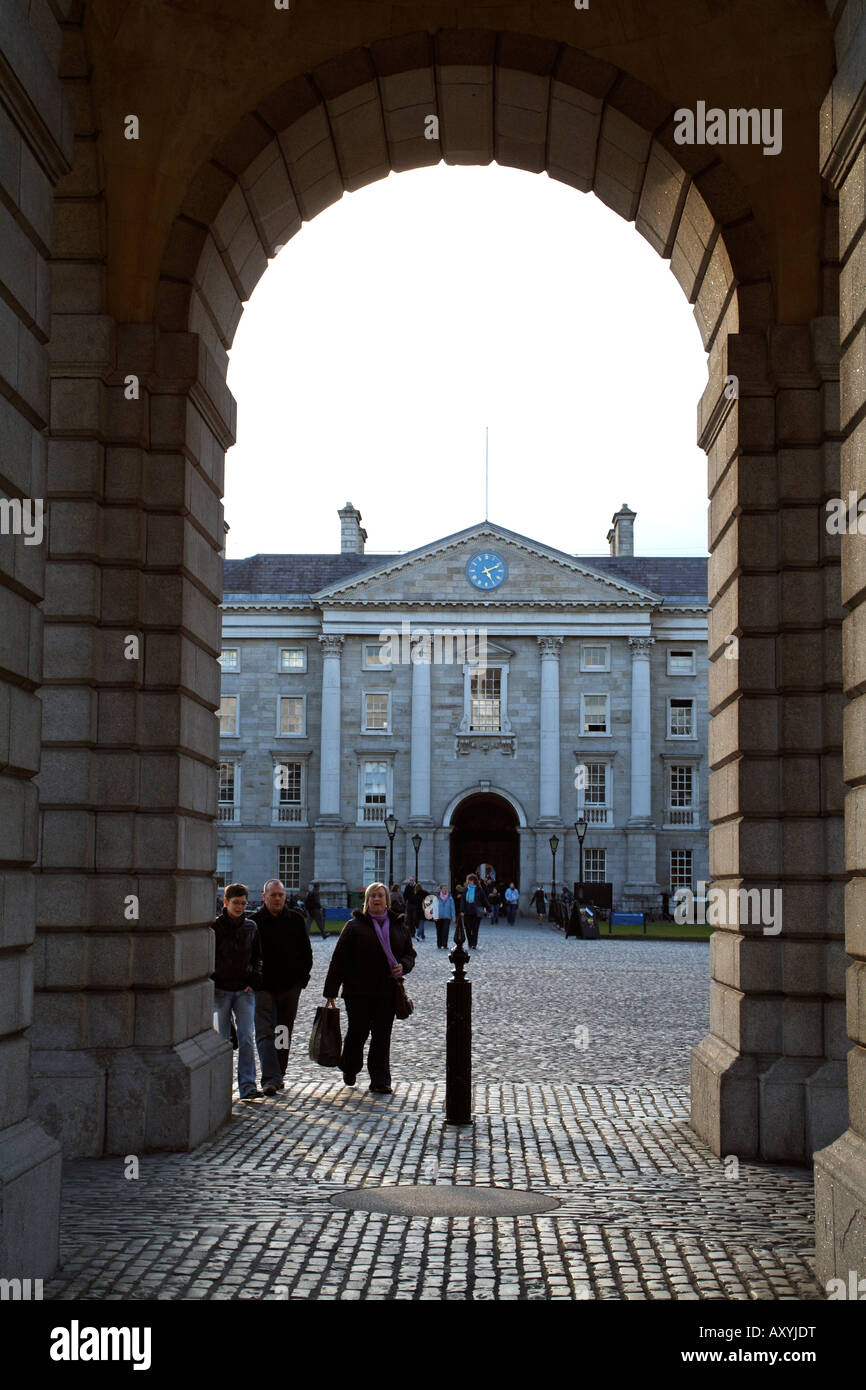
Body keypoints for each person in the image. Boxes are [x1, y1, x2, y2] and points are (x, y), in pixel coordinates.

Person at [323, 882, 416, 1095]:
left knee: (382, 1036)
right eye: (372, 896)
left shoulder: (398, 926)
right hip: (358, 992)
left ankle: (380, 1079)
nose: (376, 899)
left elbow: (410, 954)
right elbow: (339, 960)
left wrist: (404, 965)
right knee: (357, 1033)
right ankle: (350, 1066)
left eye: (380, 896)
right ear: (367, 901)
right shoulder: (354, 927)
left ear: (386, 901)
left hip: (387, 991)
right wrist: (331, 991)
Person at [251, 879, 313, 1096]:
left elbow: (306, 952)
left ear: (285, 897)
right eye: (273, 895)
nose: (277, 898)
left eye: (280, 895)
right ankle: (270, 1077)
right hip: (263, 987)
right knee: (264, 1032)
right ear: (264, 896)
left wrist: (301, 980)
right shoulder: (254, 922)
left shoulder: (295, 919)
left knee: (282, 1032)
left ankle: (279, 1073)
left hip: (289, 987)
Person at [212, 883, 263, 1100]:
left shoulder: (251, 927)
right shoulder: (214, 927)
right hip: (220, 991)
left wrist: (254, 980)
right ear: (226, 902)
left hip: (244, 991)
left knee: (246, 1038)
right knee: (222, 1040)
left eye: (243, 903)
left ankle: (248, 1085)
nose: (240, 907)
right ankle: (220, 1087)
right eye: (236, 903)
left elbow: (258, 958)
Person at [458, 873, 490, 951]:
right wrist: (461, 910)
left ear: (475, 881)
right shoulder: (465, 889)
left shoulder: (479, 889)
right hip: (467, 911)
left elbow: (484, 900)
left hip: (476, 912)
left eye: (472, 880)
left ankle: (474, 944)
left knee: (475, 929)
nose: (470, 882)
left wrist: (489, 908)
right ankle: (470, 942)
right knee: (468, 929)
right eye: (469, 880)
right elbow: (462, 901)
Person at [434, 884, 455, 949]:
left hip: (447, 917)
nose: (445, 890)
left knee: (445, 930)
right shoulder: (436, 897)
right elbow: (433, 908)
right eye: (443, 888)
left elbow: (452, 908)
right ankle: (439, 944)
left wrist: (453, 917)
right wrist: (434, 916)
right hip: (439, 917)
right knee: (439, 931)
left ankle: (445, 944)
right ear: (440, 889)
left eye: (446, 888)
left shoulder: (450, 897)